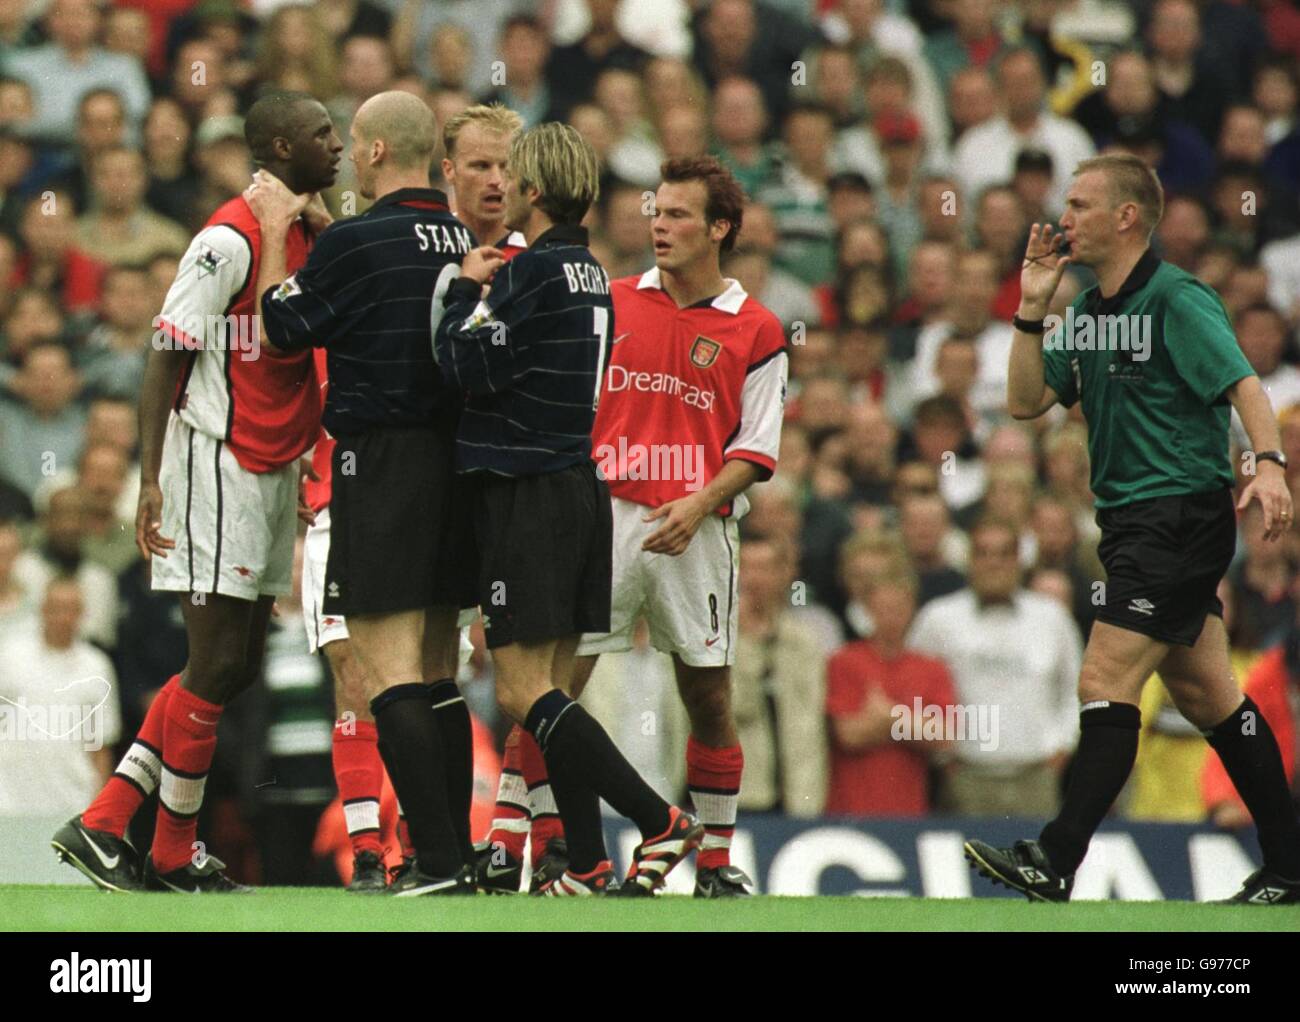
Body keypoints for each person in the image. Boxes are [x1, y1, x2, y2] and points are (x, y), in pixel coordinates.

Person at [964, 153, 1300, 906]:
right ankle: (1288, 865)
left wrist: (1269, 464)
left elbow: (1243, 381)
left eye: (1080, 204)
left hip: (1179, 511)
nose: (1064, 217)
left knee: (1104, 678)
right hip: (1130, 523)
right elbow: (1024, 402)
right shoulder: (1083, 312)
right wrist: (1030, 307)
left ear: (1127, 217)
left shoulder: (1177, 300)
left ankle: (1056, 858)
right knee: (1213, 697)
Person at [50, 91, 341, 894]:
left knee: (236, 663)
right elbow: (163, 351)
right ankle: (127, 830)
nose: (337, 143)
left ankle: (136, 836)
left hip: (273, 466)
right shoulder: (225, 239)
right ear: (281, 147)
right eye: (321, 133)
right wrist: (149, 478)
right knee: (214, 661)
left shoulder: (307, 236)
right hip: (216, 460)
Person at [483, 154, 789, 898]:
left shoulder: (757, 329)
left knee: (708, 694)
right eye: (656, 211)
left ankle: (715, 863)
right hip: (604, 517)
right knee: (551, 688)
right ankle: (521, 844)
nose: (659, 224)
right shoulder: (613, 301)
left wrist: (699, 501)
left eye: (679, 215)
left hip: (696, 527)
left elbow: (757, 446)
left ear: (719, 228)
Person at [435, 122, 703, 897]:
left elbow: (465, 364)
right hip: (579, 488)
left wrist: (461, 289)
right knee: (553, 691)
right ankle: (585, 862)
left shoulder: (531, 273)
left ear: (531, 190)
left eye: (511, 174)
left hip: (528, 494)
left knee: (524, 693)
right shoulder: (591, 273)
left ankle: (659, 820)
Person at [253, 91, 479, 897]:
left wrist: (281, 233)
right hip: (460, 466)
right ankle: (450, 851)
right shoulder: (466, 236)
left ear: (377, 152)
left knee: (386, 676)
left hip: (380, 467)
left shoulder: (354, 239)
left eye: (354, 143)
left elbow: (283, 326)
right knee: (439, 667)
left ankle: (439, 861)